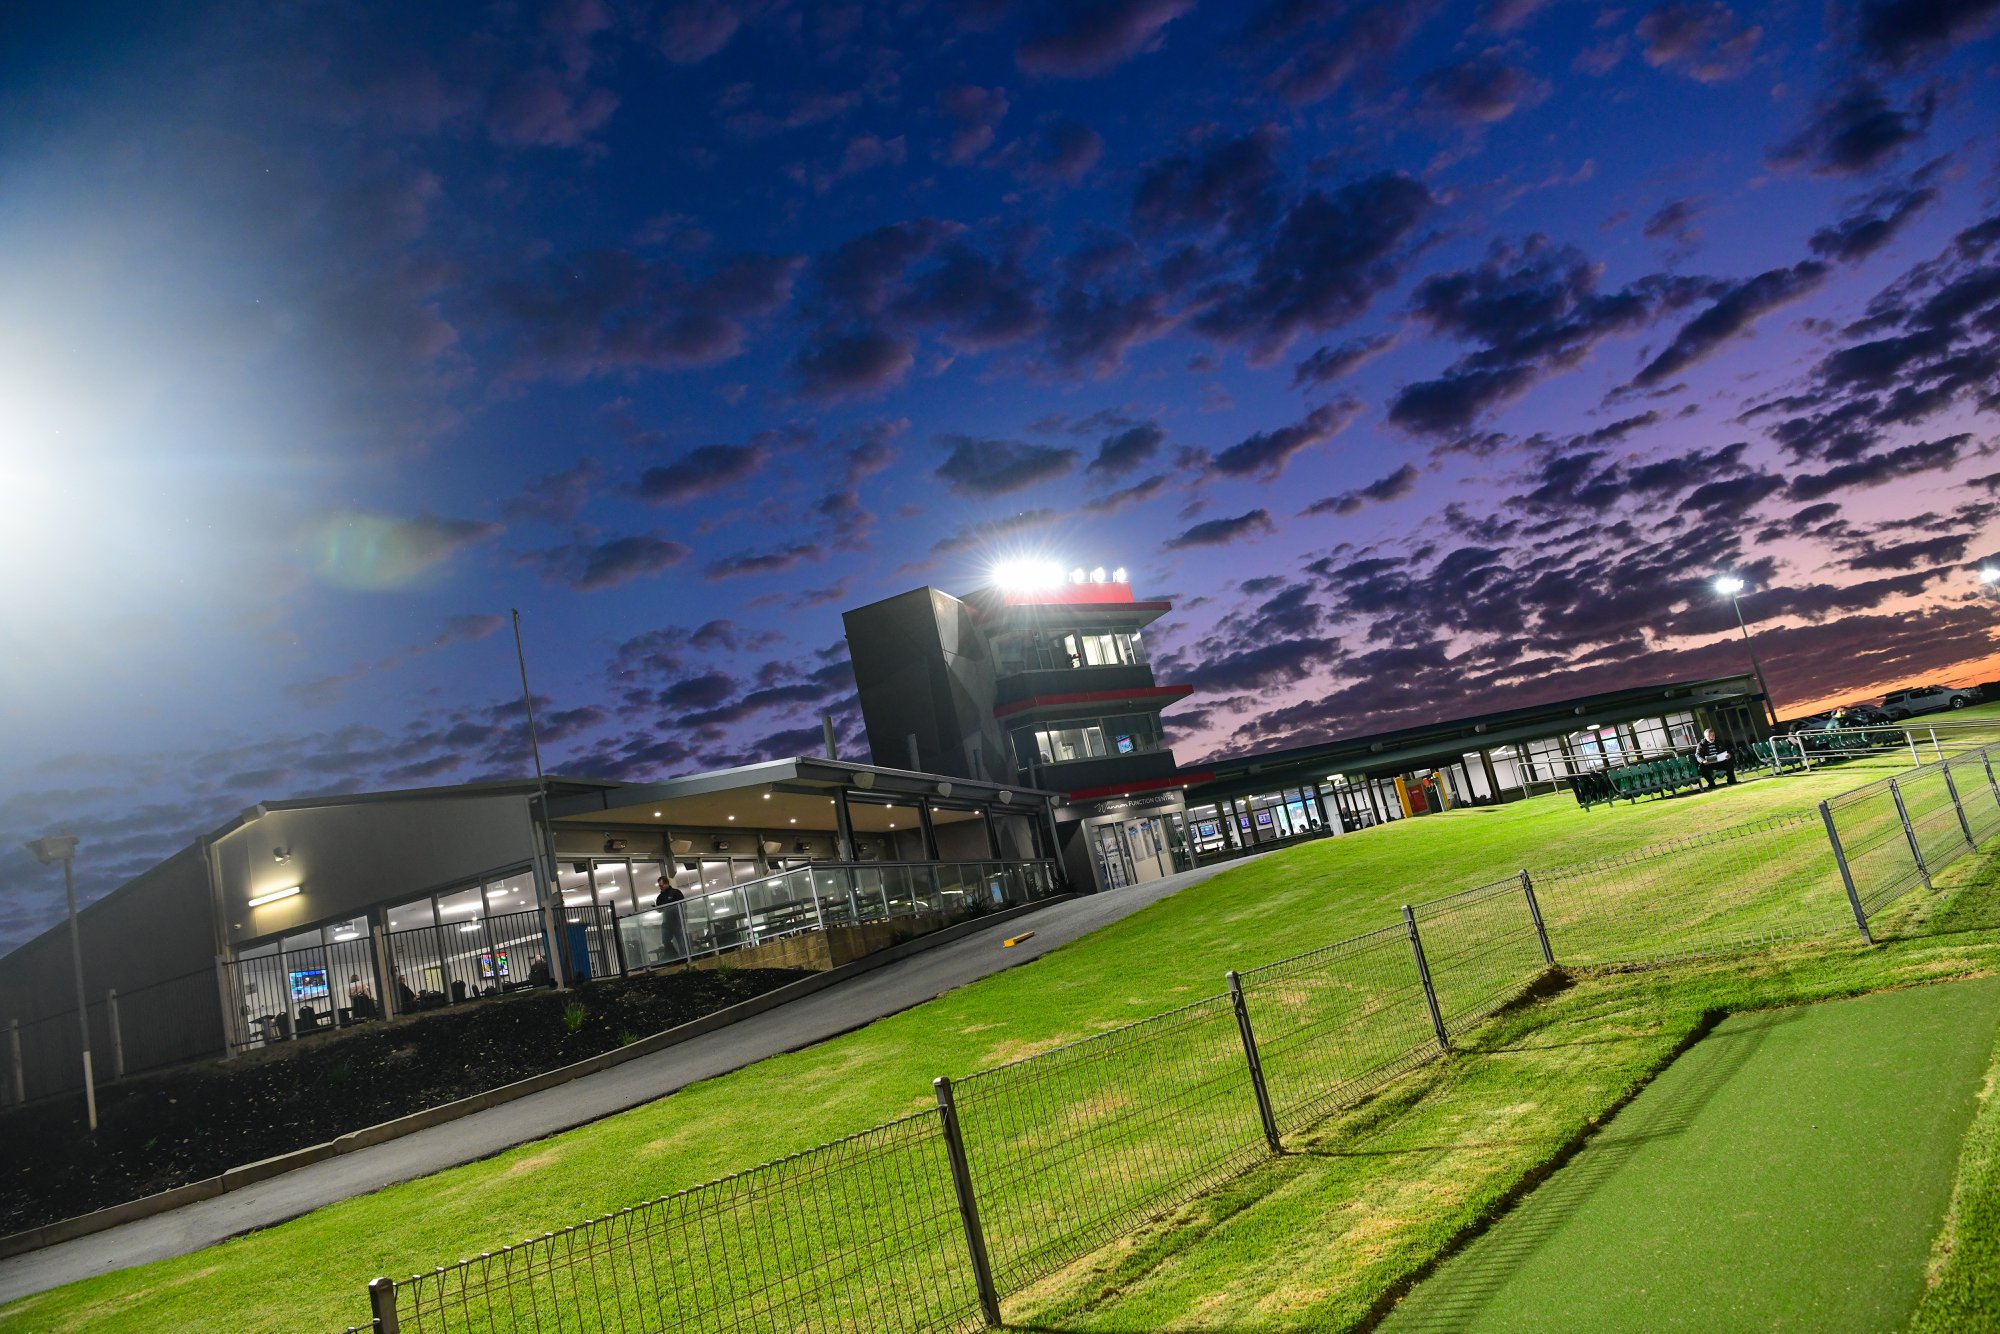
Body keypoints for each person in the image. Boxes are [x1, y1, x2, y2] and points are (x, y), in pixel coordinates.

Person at [655, 875, 688, 960]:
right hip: (667, 922)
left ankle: (685, 957)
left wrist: (684, 919)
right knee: (665, 940)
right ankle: (673, 956)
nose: (660, 887)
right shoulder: (660, 897)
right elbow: (660, 909)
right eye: (659, 886)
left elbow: (683, 905)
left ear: (666, 884)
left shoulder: (676, 893)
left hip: (677, 921)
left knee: (681, 941)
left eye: (661, 885)